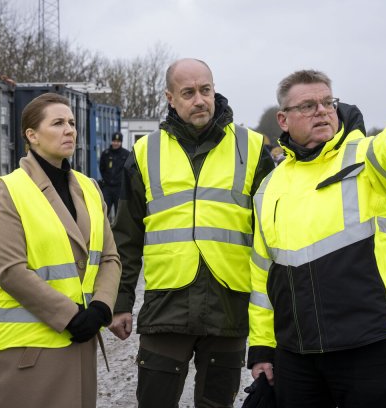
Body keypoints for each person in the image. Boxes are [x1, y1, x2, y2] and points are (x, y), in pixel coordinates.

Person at [248, 69, 386, 407]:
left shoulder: (366, 157)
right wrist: (261, 348)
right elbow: (262, 278)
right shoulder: (270, 187)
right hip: (296, 353)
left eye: (328, 102)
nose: (322, 110)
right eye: (308, 105)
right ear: (283, 120)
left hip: (368, 345)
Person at [108, 58, 275, 407]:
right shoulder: (144, 153)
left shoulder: (254, 149)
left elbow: (272, 237)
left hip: (228, 305)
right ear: (170, 98)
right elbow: (126, 238)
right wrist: (120, 303)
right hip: (165, 307)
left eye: (205, 90)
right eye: (188, 93)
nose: (199, 100)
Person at [0, 92, 121, 408]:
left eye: (71, 123)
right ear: (32, 136)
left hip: (81, 341)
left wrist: (101, 307)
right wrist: (70, 317)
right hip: (31, 349)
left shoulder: (89, 187)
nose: (69, 130)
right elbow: (10, 271)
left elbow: (110, 257)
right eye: (57, 123)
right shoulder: (10, 189)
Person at [99, 131, 130, 217]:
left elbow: (128, 170)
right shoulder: (106, 154)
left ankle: (118, 230)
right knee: (103, 211)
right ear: (112, 141)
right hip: (107, 187)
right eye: (114, 141)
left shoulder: (126, 154)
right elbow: (102, 168)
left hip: (119, 188)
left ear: (121, 142)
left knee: (120, 213)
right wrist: (106, 179)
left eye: (118, 142)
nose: (116, 143)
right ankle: (102, 229)